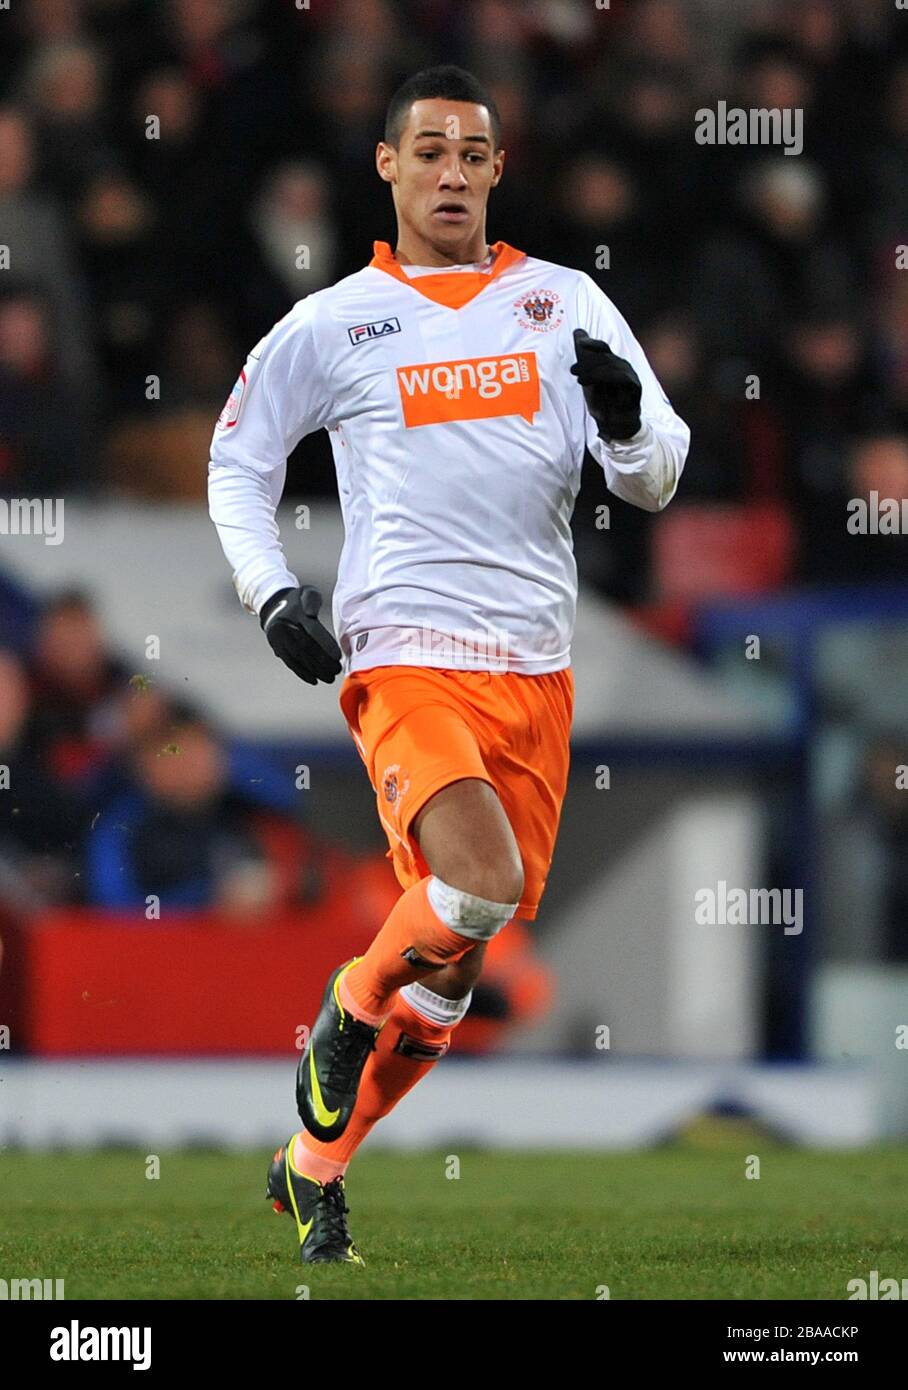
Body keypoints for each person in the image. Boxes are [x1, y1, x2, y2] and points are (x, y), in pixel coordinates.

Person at [208, 65, 689, 1265]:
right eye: (429, 152)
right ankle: (345, 1004)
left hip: (535, 670)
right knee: (469, 888)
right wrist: (272, 592)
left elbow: (658, 473)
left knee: (458, 970)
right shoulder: (335, 320)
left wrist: (626, 420)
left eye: (473, 154)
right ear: (387, 166)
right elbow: (237, 462)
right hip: (405, 656)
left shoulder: (565, 302)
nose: (453, 174)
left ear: (495, 171)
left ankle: (310, 1165)